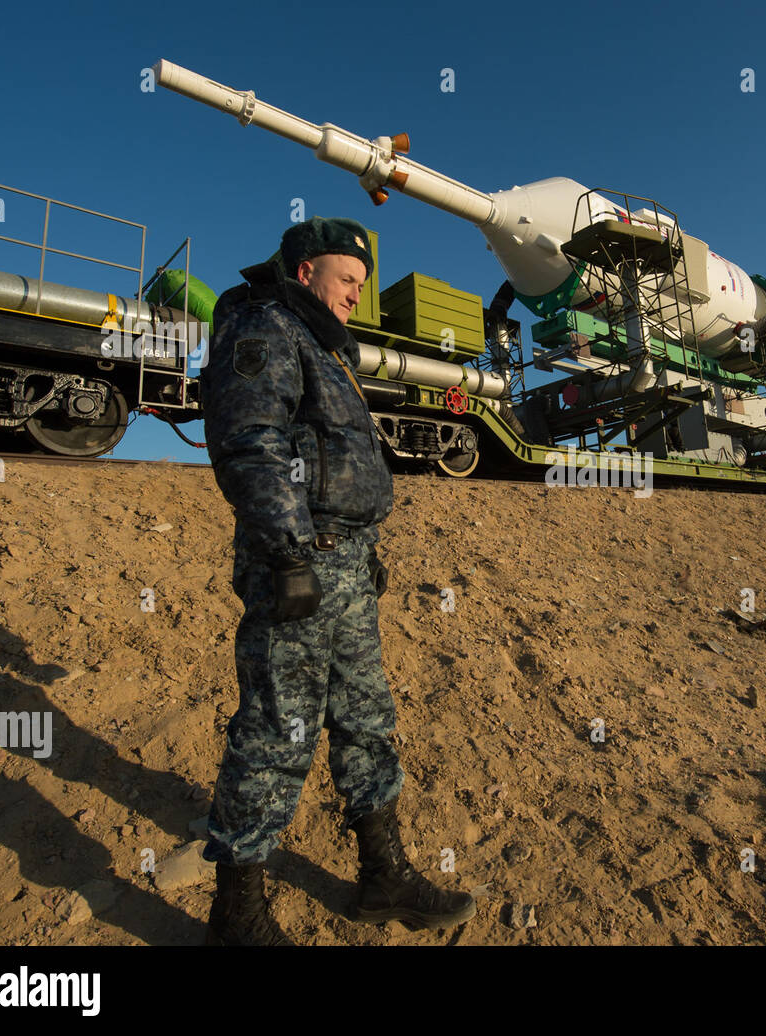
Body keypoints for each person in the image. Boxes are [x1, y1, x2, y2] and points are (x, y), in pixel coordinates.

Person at [198, 217, 475, 945]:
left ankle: (383, 878)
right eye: (346, 278)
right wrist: (289, 557)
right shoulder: (266, 329)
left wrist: (363, 550)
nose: (358, 292)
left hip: (346, 565)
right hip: (300, 565)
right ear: (302, 272)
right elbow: (248, 442)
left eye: (362, 279)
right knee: (275, 731)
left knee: (365, 720)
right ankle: (236, 921)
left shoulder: (321, 343)